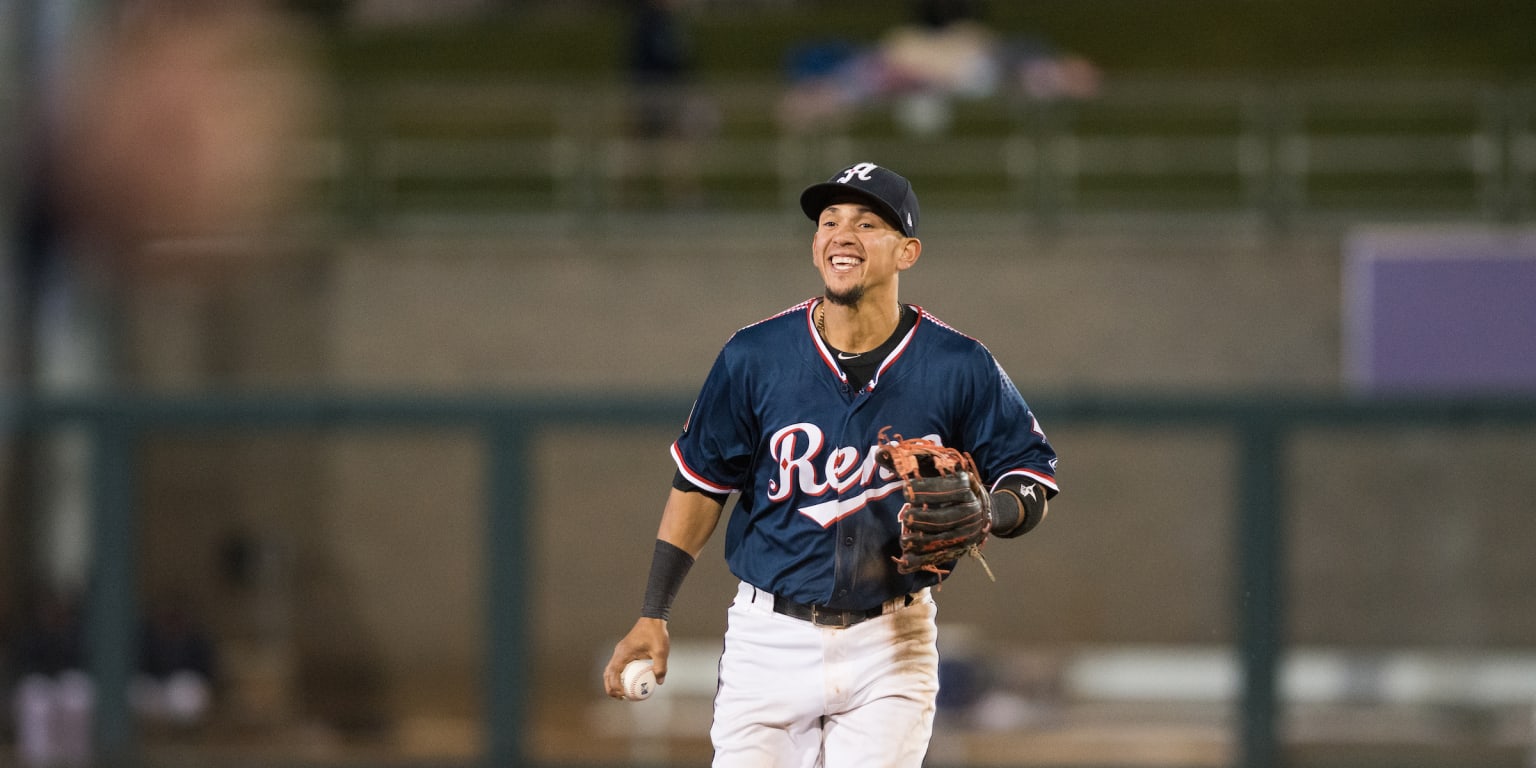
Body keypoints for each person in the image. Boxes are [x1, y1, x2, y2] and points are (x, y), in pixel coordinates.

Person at [602, 161, 1059, 766]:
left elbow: (1031, 473)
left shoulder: (959, 364)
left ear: (907, 252)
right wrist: (652, 613)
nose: (843, 234)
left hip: (892, 640)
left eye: (867, 223)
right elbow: (699, 486)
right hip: (770, 639)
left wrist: (991, 513)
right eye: (829, 221)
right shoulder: (754, 356)